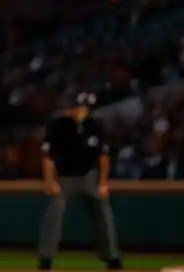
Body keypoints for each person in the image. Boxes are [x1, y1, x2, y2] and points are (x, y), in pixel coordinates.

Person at [37, 91, 123, 270]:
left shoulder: (95, 125)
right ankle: (46, 258)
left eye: (85, 108)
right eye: (78, 107)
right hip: (63, 177)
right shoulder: (58, 125)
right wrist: (49, 180)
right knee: (53, 215)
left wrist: (103, 182)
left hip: (89, 177)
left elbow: (103, 157)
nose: (81, 110)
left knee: (103, 215)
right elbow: (47, 155)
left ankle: (112, 257)